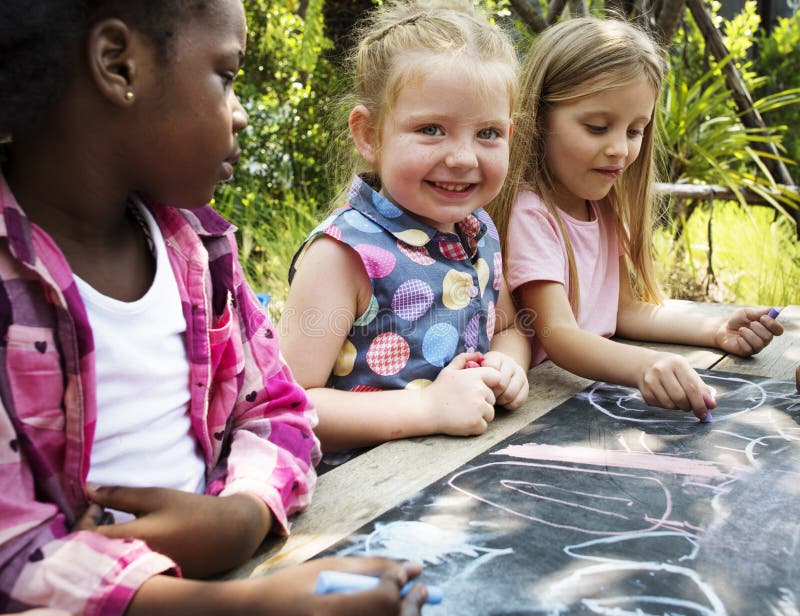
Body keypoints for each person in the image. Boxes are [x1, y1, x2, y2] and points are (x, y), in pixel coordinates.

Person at [0, 1, 427, 614]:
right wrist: (248, 606)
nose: (241, 113)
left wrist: (242, 514)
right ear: (119, 66)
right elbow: (13, 556)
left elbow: (279, 407)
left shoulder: (200, 250)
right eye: (226, 76)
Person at [488, 16, 783, 421]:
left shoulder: (604, 207)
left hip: (580, 399)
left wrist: (715, 330)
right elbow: (560, 336)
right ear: (538, 119)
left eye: (635, 130)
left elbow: (624, 311)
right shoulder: (531, 213)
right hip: (533, 412)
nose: (620, 150)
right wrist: (644, 366)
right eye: (597, 127)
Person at [279, 0, 530, 460]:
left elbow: (509, 326)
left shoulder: (479, 231)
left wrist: (508, 364)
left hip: (458, 477)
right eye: (432, 129)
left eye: (488, 133)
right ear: (370, 135)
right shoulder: (344, 254)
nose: (463, 157)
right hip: (361, 500)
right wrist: (430, 408)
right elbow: (288, 407)